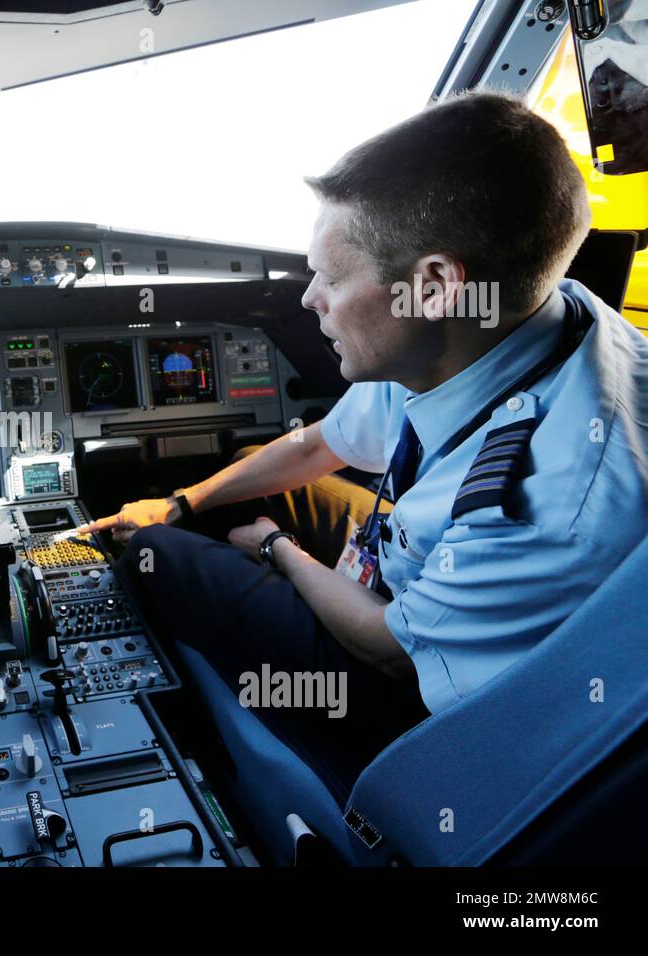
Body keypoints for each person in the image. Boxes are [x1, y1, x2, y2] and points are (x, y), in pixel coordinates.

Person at [83, 91, 648, 801]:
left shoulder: (551, 503)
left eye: (332, 276)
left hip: (434, 707)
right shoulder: (508, 319)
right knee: (241, 497)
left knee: (156, 556)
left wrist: (273, 551)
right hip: (431, 571)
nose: (308, 298)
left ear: (435, 285)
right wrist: (179, 498)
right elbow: (321, 442)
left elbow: (389, 650)